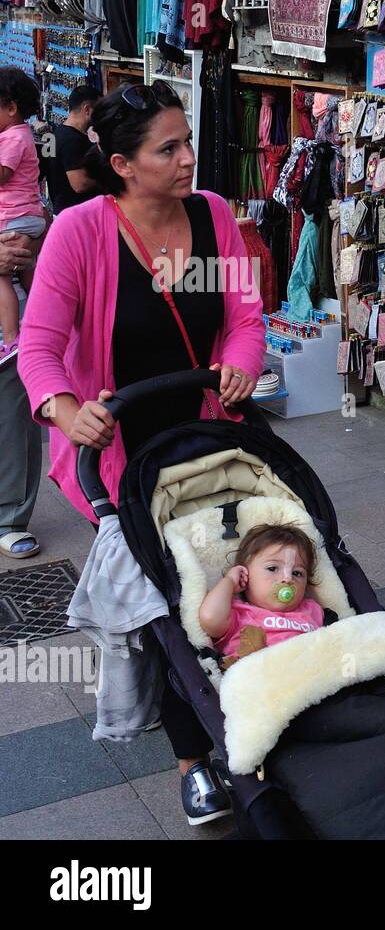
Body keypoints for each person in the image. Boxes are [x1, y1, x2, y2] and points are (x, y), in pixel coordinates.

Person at [17, 80, 265, 826]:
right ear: (122, 164)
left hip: (211, 437)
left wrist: (243, 359)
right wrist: (65, 408)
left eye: (188, 141)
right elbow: (39, 346)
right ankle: (194, 758)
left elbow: (245, 315)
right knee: (170, 605)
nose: (190, 158)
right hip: (122, 458)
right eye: (170, 148)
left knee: (224, 591)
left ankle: (247, 714)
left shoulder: (213, 215)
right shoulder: (81, 233)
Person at [200, 524, 325, 670]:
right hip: (261, 680)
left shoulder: (312, 609)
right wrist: (230, 581)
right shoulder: (238, 613)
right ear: (245, 576)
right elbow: (209, 618)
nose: (287, 578)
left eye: (297, 573)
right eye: (272, 568)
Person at [0, 67, 47, 367]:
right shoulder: (21, 135)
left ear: (12, 108)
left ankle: (11, 338)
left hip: (15, 219)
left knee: (2, 276)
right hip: (27, 217)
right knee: (29, 274)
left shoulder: (13, 139)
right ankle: (36, 326)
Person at [0, 230, 39, 559]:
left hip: (11, 323)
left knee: (13, 421)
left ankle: (9, 520)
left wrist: (27, 244)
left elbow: (44, 226)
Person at [40, 84, 103, 215]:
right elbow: (80, 184)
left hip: (63, 211)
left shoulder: (54, 135)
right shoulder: (71, 140)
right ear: (87, 109)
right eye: (100, 109)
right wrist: (111, 179)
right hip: (76, 215)